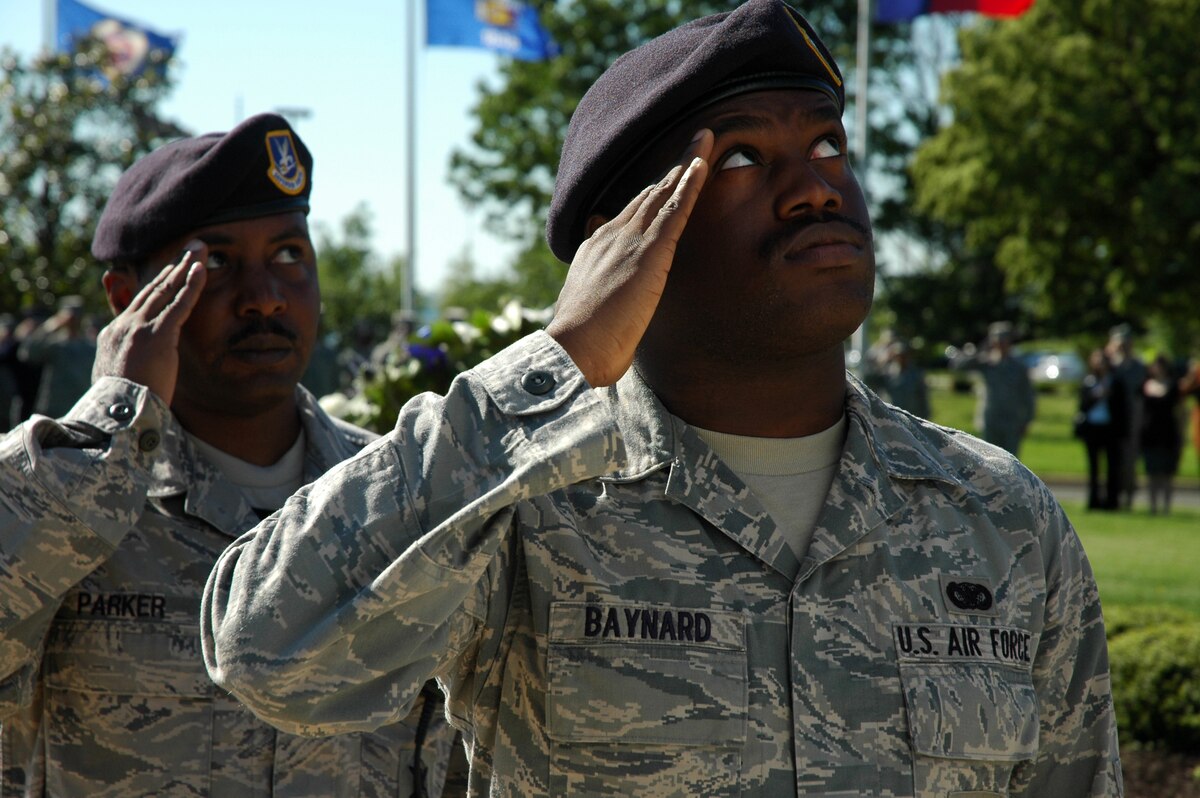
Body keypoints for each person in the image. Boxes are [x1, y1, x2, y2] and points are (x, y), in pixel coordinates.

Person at [202, 4, 1122, 796]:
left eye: (827, 143)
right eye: (744, 160)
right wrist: (558, 360)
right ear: (627, 240)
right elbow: (265, 651)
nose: (813, 188)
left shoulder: (998, 516)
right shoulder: (524, 503)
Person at [0, 113, 455, 797]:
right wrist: (116, 419)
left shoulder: (394, 499)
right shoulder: (66, 494)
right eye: (214, 264)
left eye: (289, 256)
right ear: (127, 300)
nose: (265, 299)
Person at [946, 321, 1036, 457]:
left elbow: (1028, 396)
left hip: (1012, 422)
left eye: (1004, 341)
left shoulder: (1018, 367)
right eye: (997, 340)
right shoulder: (986, 363)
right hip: (991, 419)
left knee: (1011, 462)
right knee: (990, 461)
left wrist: (1027, 420)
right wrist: (981, 349)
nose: (1000, 344)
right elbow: (957, 366)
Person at [16, 294, 97, 419]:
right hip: (52, 410)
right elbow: (26, 353)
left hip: (80, 410)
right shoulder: (53, 345)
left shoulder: (90, 347)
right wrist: (51, 325)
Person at [1076, 348, 1127, 511]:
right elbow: (1082, 406)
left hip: (1110, 428)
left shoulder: (1115, 382)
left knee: (1112, 466)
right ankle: (1094, 501)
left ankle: (1112, 501)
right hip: (1092, 428)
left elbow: (1122, 408)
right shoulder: (1089, 381)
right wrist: (1096, 395)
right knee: (1094, 467)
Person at [1105, 324, 1146, 509]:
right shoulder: (1109, 366)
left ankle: (1127, 497)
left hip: (1131, 420)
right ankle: (1112, 497)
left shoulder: (1138, 366)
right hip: (1111, 421)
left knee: (1129, 460)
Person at [1140, 353, 1183, 514]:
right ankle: (1152, 506)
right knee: (1152, 473)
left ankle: (1166, 507)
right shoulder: (1146, 386)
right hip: (1150, 434)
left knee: (1167, 473)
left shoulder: (1173, 387)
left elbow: (1180, 412)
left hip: (1168, 434)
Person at [881, 338, 930, 418]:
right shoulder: (887, 372)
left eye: (904, 355)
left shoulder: (916, 374)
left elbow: (922, 396)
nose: (901, 358)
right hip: (892, 416)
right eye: (898, 356)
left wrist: (925, 415)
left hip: (912, 415)